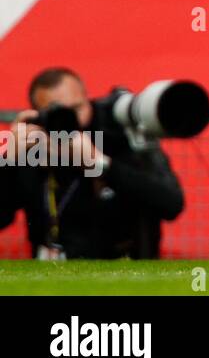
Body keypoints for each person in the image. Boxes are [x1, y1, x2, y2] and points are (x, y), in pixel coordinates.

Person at [0, 67, 184, 259]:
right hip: (52, 279)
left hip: (125, 270)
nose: (72, 121)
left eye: (77, 108)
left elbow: (171, 204)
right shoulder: (34, 147)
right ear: (37, 117)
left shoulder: (119, 134)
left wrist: (100, 164)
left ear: (88, 101)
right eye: (59, 114)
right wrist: (8, 161)